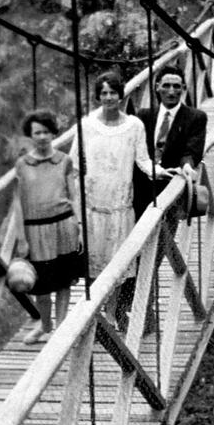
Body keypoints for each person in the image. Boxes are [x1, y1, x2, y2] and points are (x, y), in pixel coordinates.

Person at [70, 69, 167, 312]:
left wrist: (165, 172)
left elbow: (143, 161)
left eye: (113, 92)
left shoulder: (134, 125)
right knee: (93, 267)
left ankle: (111, 316)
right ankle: (94, 316)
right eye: (103, 93)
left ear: (121, 95)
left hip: (120, 209)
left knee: (117, 268)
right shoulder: (87, 125)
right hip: (93, 207)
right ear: (97, 96)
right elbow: (71, 164)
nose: (109, 97)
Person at [15, 109, 82, 345]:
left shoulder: (64, 161)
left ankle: (60, 332)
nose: (42, 137)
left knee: (63, 281)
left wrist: (79, 225)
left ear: (53, 133)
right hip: (36, 230)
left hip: (63, 225)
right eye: (37, 133)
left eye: (46, 132)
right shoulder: (22, 165)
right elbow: (18, 205)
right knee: (42, 286)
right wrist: (21, 238)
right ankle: (45, 326)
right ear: (30, 136)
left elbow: (73, 196)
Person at [132, 62, 208, 219]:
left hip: (171, 185)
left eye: (176, 86)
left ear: (183, 88)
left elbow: (192, 150)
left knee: (163, 236)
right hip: (141, 185)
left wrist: (187, 165)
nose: (171, 91)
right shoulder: (143, 116)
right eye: (166, 86)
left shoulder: (195, 117)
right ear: (157, 87)